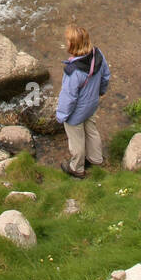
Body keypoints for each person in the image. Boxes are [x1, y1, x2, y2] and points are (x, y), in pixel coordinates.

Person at [55, 23, 110, 179]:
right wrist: (101, 91)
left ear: (73, 44)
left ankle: (77, 168)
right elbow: (106, 76)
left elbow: (68, 97)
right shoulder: (97, 54)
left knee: (76, 141)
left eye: (67, 41)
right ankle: (96, 159)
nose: (66, 43)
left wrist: (61, 115)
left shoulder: (73, 72)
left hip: (76, 113)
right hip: (92, 105)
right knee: (91, 131)